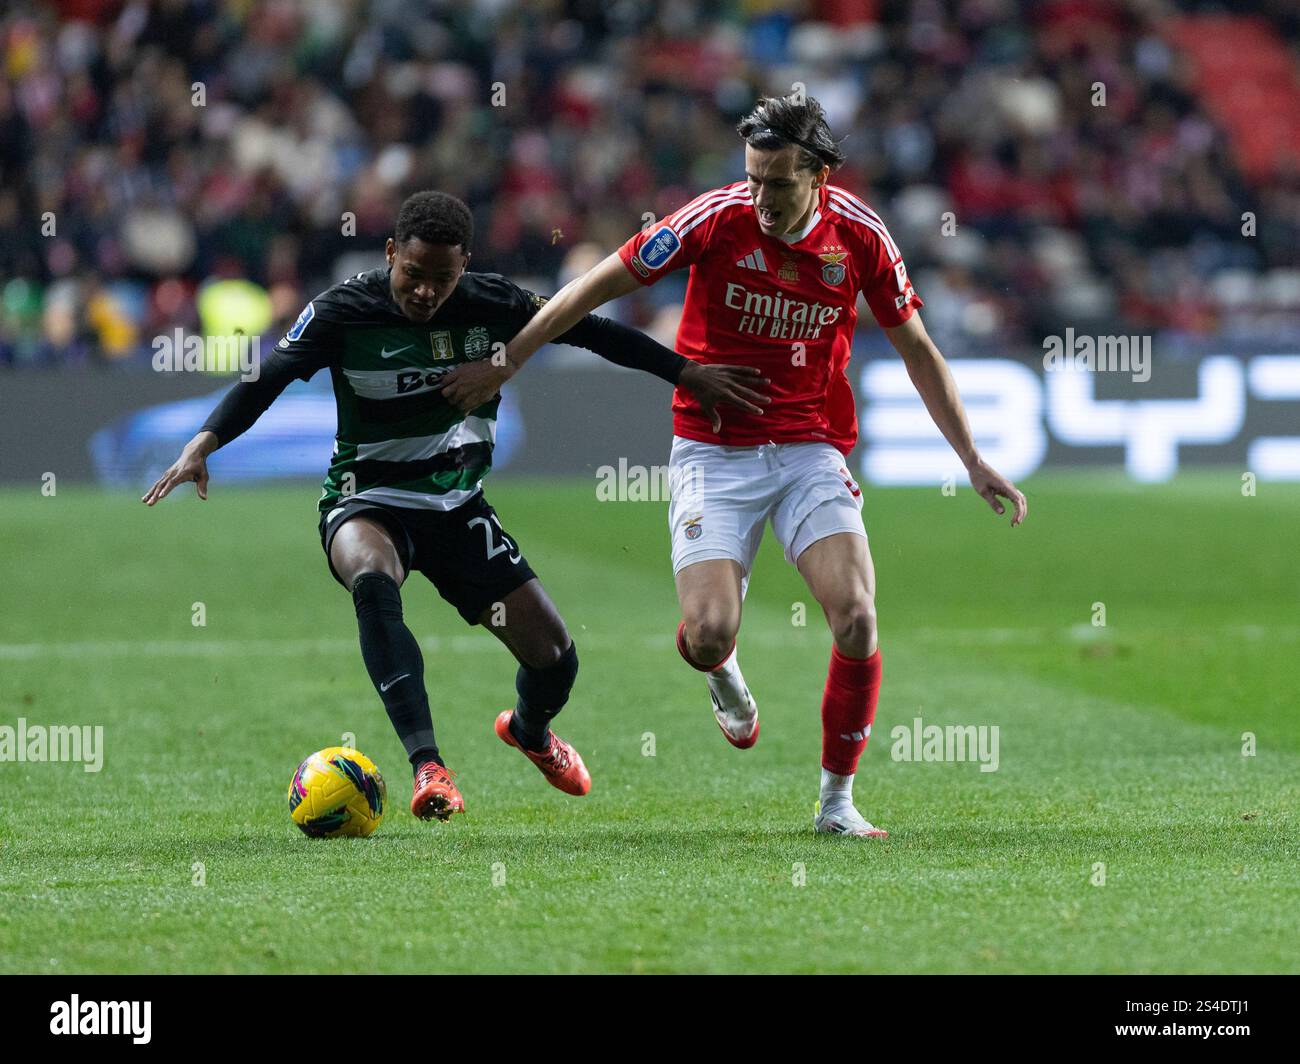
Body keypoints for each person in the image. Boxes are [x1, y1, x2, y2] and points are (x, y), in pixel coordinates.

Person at [437, 96, 1028, 838]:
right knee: (711, 631)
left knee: (856, 617)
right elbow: (596, 288)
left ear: (819, 175)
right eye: (752, 179)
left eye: (777, 184)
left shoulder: (863, 237)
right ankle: (720, 669)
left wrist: (970, 458)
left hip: (811, 448)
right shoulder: (714, 218)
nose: (762, 199)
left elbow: (917, 348)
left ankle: (837, 805)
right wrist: (509, 358)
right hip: (713, 451)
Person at [142, 190, 767, 825]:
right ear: (391, 254)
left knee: (555, 660)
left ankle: (529, 730)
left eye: (441, 279)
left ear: (463, 266)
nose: (424, 292)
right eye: (413, 275)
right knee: (370, 576)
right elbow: (267, 376)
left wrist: (686, 374)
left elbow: (594, 330)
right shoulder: (343, 310)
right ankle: (428, 767)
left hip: (456, 505)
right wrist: (205, 441)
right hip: (366, 497)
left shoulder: (491, 303)